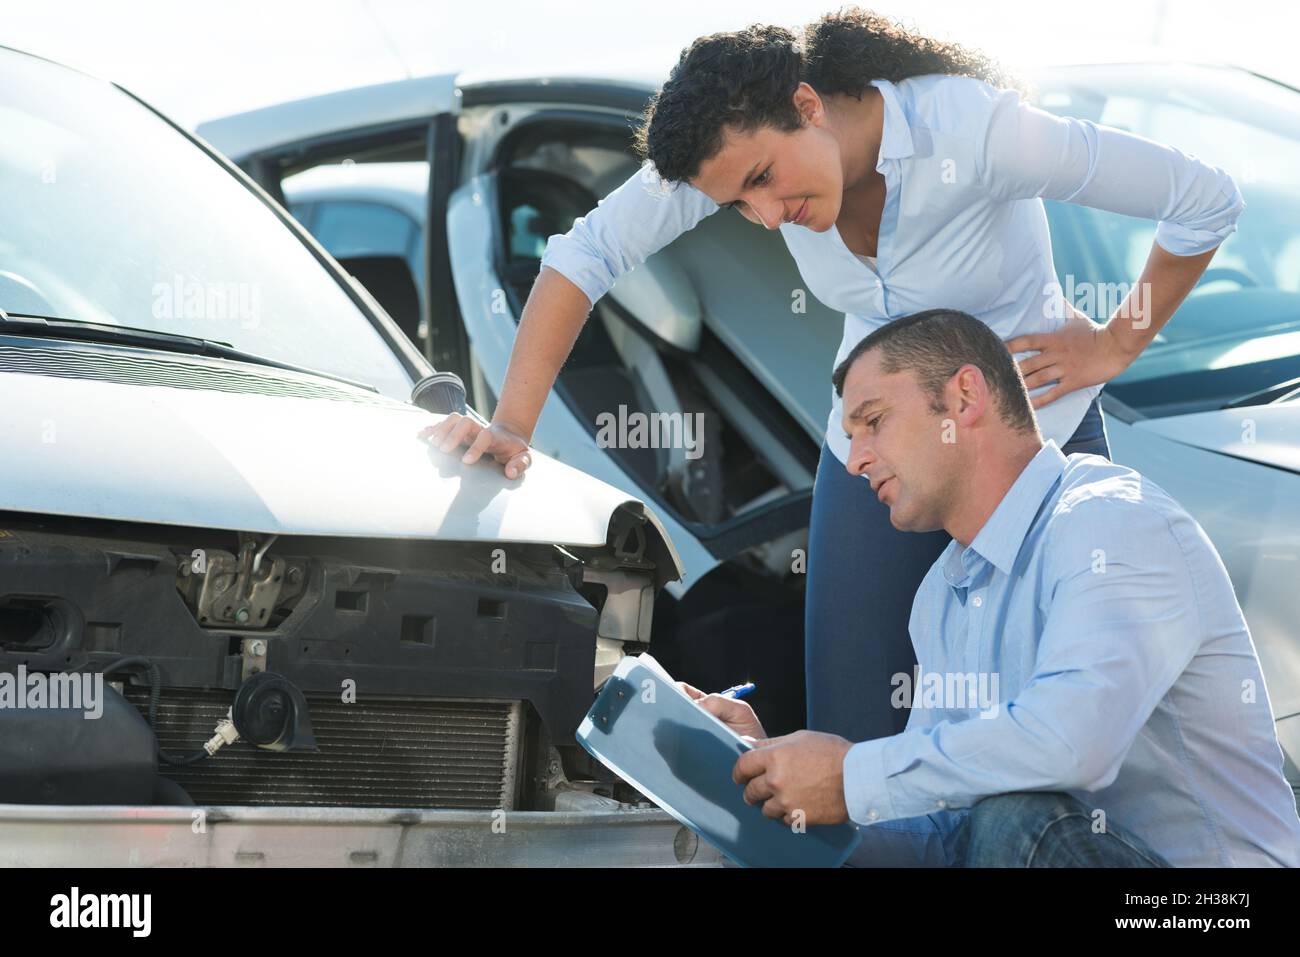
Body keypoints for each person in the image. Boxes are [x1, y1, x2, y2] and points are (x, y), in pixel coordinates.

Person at [419, 8, 1243, 746]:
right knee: (852, 734)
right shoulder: (735, 157)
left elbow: (1204, 196)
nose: (767, 216)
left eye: (761, 181)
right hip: (874, 462)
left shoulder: (977, 132)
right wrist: (514, 425)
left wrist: (1112, 346)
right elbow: (585, 253)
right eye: (740, 205)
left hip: (1029, 457)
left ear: (808, 105)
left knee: (1039, 735)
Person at [684, 308, 1300, 867]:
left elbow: (1070, 744)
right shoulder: (941, 596)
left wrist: (848, 775)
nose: (855, 460)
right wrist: (769, 780)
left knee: (1013, 816)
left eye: (873, 422)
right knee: (983, 820)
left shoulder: (1113, 522)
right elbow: (939, 833)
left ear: (965, 397)